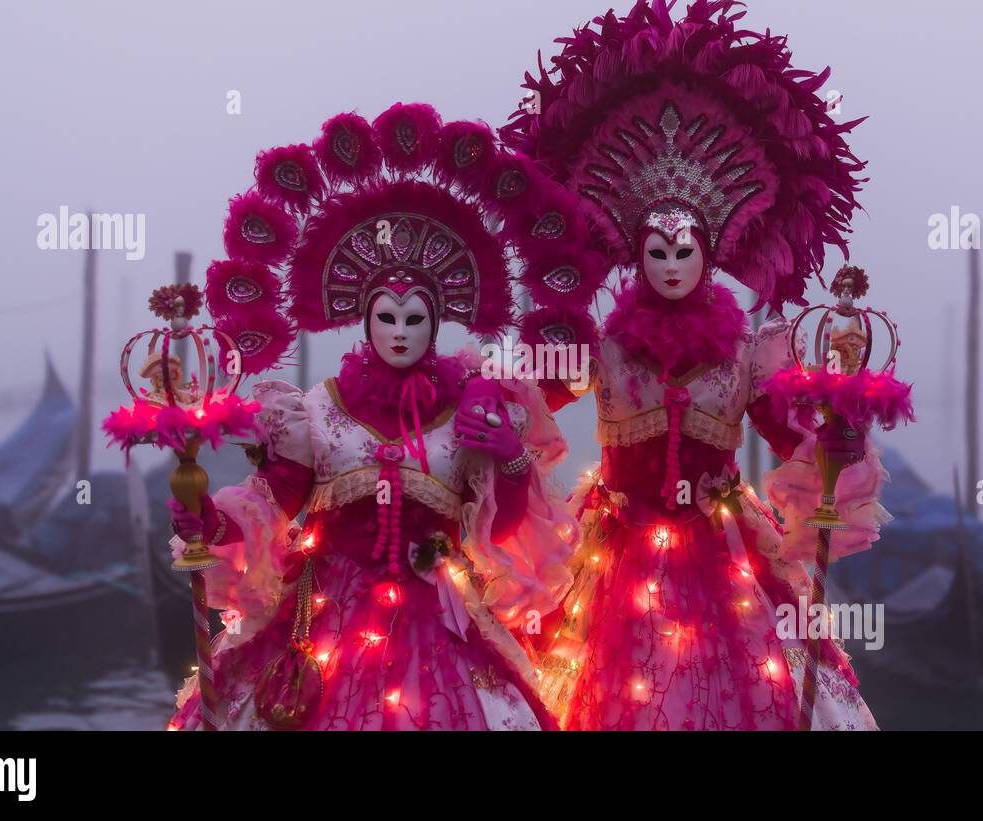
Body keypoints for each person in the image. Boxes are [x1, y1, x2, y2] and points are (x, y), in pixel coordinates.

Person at [502, 0, 890, 730]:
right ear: (636, 251)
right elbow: (531, 401)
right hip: (614, 551)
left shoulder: (749, 350)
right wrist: (488, 410)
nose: (672, 264)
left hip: (723, 553)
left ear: (710, 253)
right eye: (658, 251)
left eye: (686, 252)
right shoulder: (603, 347)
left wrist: (835, 436)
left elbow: (789, 433)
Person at [165, 102, 600, 730]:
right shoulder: (313, 409)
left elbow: (501, 531)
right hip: (324, 617)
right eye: (387, 318)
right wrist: (213, 520)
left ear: (437, 321)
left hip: (440, 622)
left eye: (415, 319)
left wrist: (510, 457)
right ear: (364, 320)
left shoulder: (473, 406)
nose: (400, 332)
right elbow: (277, 496)